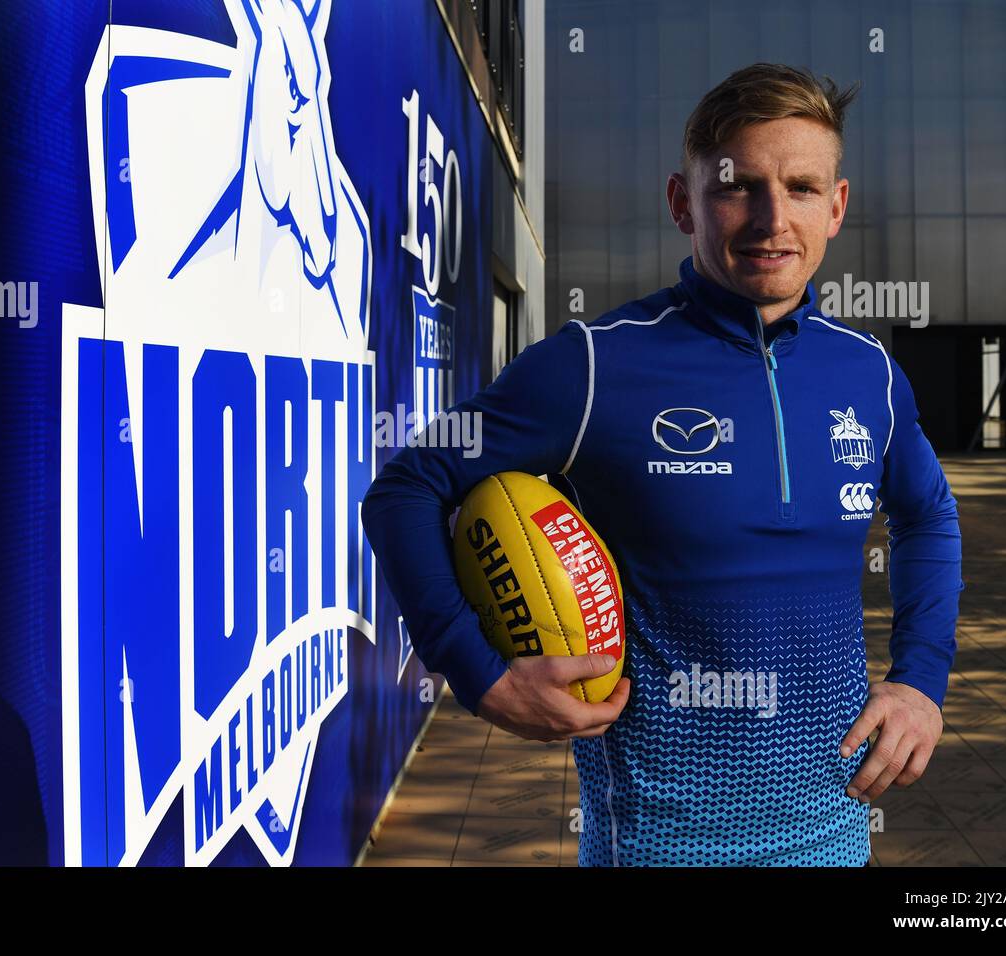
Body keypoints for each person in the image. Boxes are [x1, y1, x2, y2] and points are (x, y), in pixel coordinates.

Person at [361, 63, 964, 866]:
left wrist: (920, 679)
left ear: (838, 206)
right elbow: (407, 485)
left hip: (835, 831)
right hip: (655, 844)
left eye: (801, 188)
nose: (770, 218)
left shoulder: (869, 373)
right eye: (737, 186)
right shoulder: (594, 368)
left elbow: (926, 515)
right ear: (682, 202)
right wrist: (478, 673)